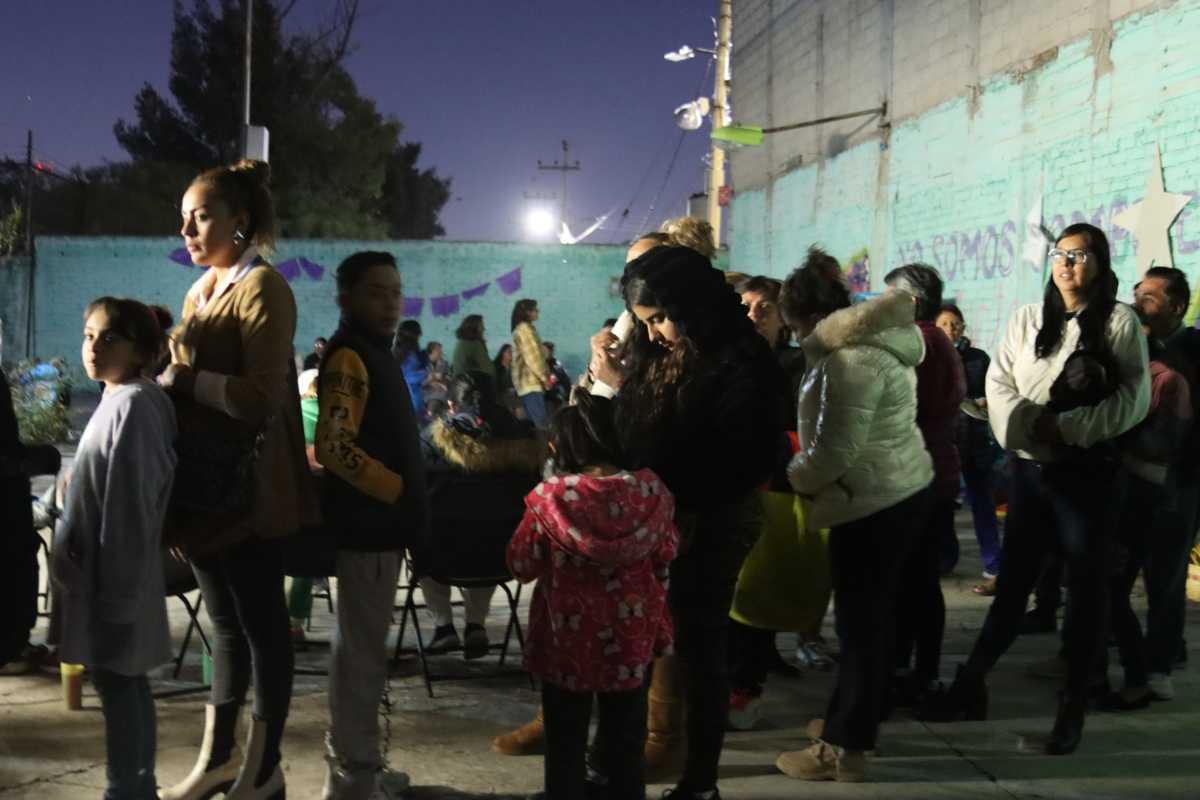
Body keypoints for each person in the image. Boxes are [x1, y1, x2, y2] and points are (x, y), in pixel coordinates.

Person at [923, 223, 1150, 756]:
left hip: (1087, 474)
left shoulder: (1118, 323)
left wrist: (1067, 430)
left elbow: (1133, 398)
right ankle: (970, 683)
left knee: (1087, 594)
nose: (1067, 264)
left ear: (1100, 262)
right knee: (1013, 585)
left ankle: (1073, 707)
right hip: (1029, 472)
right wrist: (1028, 423)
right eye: (1060, 254)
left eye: (1079, 254)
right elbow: (998, 384)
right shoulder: (1028, 319)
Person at [589, 245, 784, 800]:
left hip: (712, 524)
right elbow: (632, 439)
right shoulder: (670, 350)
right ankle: (613, 770)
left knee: (700, 651)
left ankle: (700, 782)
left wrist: (625, 396)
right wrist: (614, 386)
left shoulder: (744, 361)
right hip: (656, 522)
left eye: (658, 319)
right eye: (644, 322)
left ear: (688, 304)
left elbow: (729, 459)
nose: (652, 334)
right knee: (635, 646)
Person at [159, 159, 315, 800]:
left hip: (250, 487)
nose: (189, 230)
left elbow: (261, 397)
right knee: (222, 624)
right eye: (184, 220)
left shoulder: (264, 288)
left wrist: (187, 380)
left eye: (201, 216)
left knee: (263, 626)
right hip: (202, 488)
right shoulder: (201, 291)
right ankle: (219, 759)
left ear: (240, 220)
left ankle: (265, 764)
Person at [772, 255, 934, 783]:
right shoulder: (871, 348)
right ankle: (853, 719)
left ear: (806, 317)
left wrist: (793, 474)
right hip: (897, 490)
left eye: (793, 326)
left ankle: (845, 748)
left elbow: (836, 450)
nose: (794, 337)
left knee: (862, 627)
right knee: (875, 623)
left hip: (870, 502)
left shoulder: (848, 361)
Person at [509, 393, 679, 800]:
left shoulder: (549, 499)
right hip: (631, 635)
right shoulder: (651, 492)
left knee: (565, 733)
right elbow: (667, 554)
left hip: (567, 639)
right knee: (626, 733)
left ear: (563, 446)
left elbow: (521, 563)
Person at [51, 298, 177, 800]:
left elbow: (129, 507)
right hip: (105, 575)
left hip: (117, 577)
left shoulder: (136, 406)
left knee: (119, 685)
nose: (93, 347)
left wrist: (119, 593)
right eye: (88, 335)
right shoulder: (116, 398)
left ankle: (126, 789)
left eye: (109, 338)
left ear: (141, 349)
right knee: (122, 683)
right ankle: (134, 787)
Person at [314, 251, 428, 799]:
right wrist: (398, 490)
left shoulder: (375, 354)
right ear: (347, 298)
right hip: (366, 527)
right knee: (359, 652)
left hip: (381, 527)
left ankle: (361, 762)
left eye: (395, 292)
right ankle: (354, 776)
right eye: (376, 292)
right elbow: (334, 448)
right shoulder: (351, 358)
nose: (389, 303)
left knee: (362, 648)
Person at [727, 274, 814, 730]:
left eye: (764, 307)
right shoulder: (729, 358)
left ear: (783, 316)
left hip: (780, 488)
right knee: (742, 591)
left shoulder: (798, 365)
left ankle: (748, 684)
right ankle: (748, 673)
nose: (753, 314)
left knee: (761, 587)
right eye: (746, 305)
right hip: (737, 487)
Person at [1098, 309, 1192, 710]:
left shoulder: (1168, 380)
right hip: (1123, 495)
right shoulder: (1116, 377)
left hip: (1155, 498)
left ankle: (1150, 672)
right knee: (1110, 587)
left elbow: (1164, 446)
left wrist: (1112, 436)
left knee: (1156, 585)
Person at [418, 373, 544, 658]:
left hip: (440, 556)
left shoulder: (430, 441)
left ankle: (443, 626)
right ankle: (475, 625)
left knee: (425, 537)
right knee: (490, 529)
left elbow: (415, 493)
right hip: (498, 557)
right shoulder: (522, 439)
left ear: (451, 405)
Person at [885, 264, 965, 705]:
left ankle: (916, 668)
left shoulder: (919, 343)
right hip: (931, 473)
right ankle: (915, 666)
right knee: (918, 580)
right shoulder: (936, 342)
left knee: (913, 580)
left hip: (917, 476)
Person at [1132, 266, 1200, 696]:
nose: (1139, 305)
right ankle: (1169, 647)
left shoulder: (1191, 351)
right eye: (1138, 295)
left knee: (1166, 574)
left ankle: (1158, 668)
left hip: (1180, 478)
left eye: (1149, 298)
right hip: (1141, 475)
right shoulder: (1139, 346)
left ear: (1176, 306)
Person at [937, 304, 1003, 595]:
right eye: (945, 325)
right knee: (944, 505)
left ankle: (993, 563)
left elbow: (993, 390)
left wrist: (985, 401)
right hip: (945, 442)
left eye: (955, 324)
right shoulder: (930, 358)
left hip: (975, 442)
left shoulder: (978, 359)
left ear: (963, 327)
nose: (951, 330)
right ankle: (945, 559)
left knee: (982, 503)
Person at [511, 299, 552, 428]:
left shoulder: (522, 329)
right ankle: (546, 447)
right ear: (527, 313)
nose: (538, 311)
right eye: (535, 309)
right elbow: (533, 358)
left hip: (526, 384)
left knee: (535, 423)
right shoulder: (525, 330)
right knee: (541, 425)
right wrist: (545, 377)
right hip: (530, 383)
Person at [394, 320, 428, 417]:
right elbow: (409, 377)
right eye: (419, 332)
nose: (421, 335)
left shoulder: (399, 350)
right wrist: (429, 374)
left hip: (409, 396)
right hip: (411, 398)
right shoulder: (408, 354)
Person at [451, 314, 495, 382]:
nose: (484, 328)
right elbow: (489, 370)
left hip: (458, 386)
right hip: (473, 387)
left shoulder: (461, 342)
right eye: (481, 326)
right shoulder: (474, 344)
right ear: (474, 327)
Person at [424, 341, 450, 405]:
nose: (441, 352)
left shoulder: (444, 363)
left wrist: (444, 381)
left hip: (441, 392)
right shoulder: (422, 363)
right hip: (426, 392)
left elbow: (446, 377)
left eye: (441, 350)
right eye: (439, 350)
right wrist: (432, 381)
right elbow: (420, 381)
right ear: (432, 351)